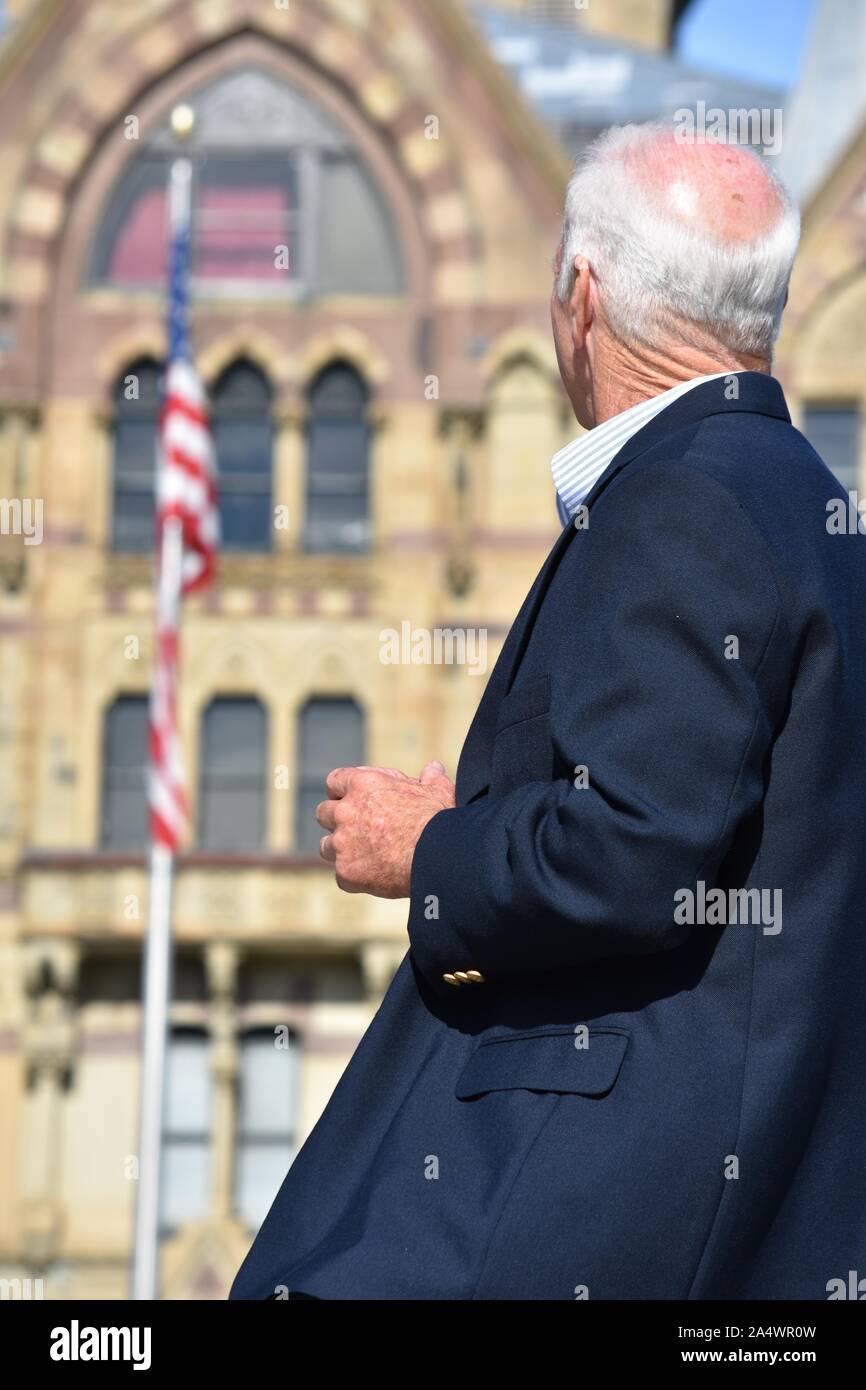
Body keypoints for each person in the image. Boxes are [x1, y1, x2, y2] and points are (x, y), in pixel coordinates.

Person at [231, 123, 866, 1300]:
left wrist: (425, 845)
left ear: (580, 298)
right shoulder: (805, 509)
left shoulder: (685, 500)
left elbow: (633, 848)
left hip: (589, 1202)